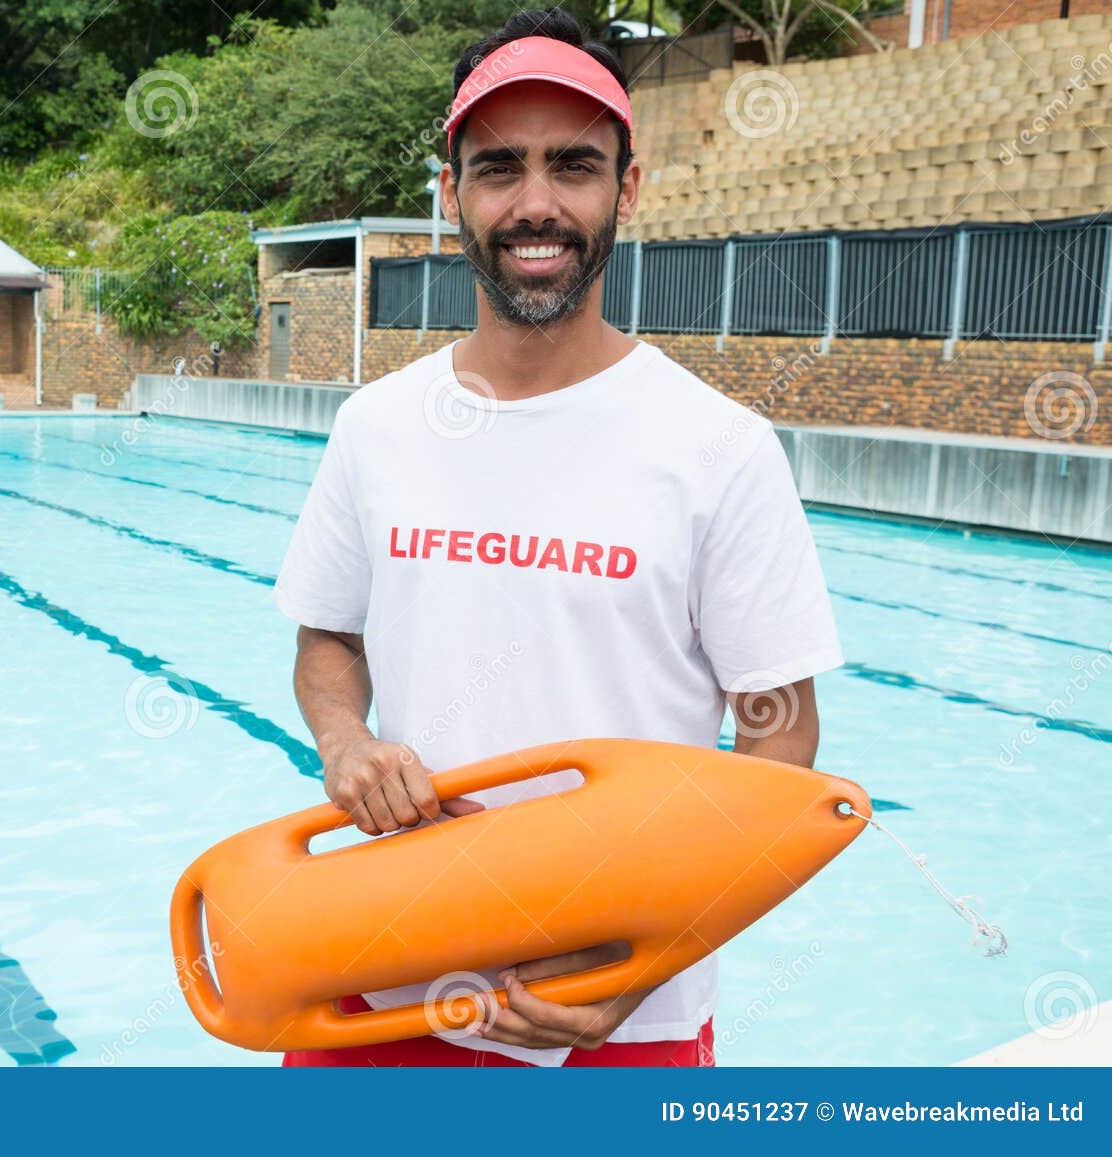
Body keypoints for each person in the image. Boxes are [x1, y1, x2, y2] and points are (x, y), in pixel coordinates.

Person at [271, 7, 842, 1069]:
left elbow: (779, 737)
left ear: (626, 187)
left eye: (572, 166)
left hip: (622, 1017)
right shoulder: (377, 425)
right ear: (451, 192)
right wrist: (346, 745)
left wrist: (646, 955)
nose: (536, 205)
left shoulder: (718, 448)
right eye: (499, 168)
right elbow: (326, 640)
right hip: (382, 973)